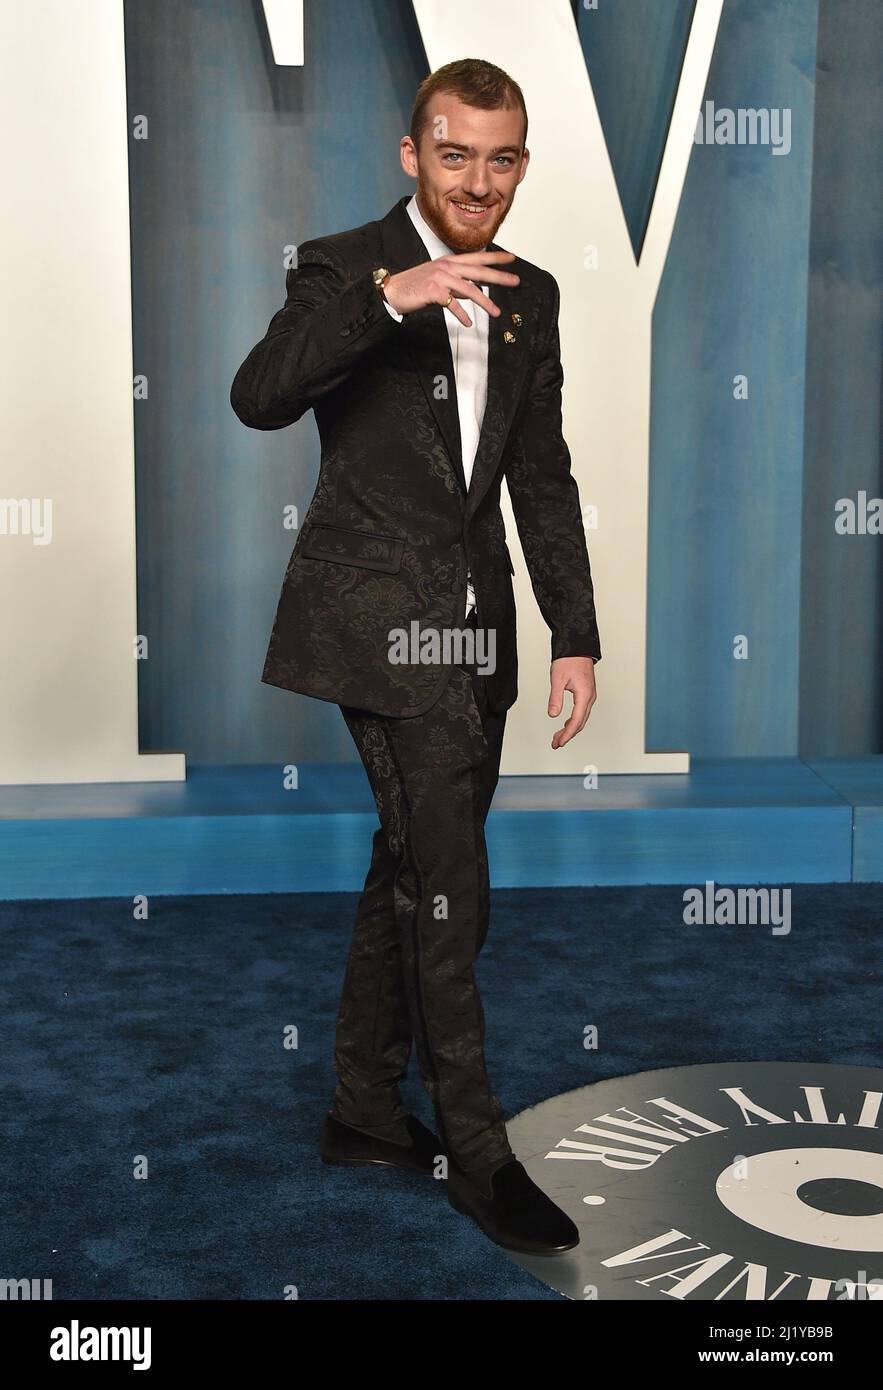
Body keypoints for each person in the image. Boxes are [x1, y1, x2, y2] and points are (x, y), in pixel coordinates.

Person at [230, 57, 601, 1256]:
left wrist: (574, 633)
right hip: (377, 628)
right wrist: (394, 295)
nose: (477, 183)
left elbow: (540, 474)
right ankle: (480, 1157)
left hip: (477, 631)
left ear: (522, 164)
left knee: (412, 860)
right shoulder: (345, 266)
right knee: (451, 880)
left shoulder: (532, 294)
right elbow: (258, 395)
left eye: (500, 160)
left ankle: (360, 1107)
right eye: (454, 156)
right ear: (412, 154)